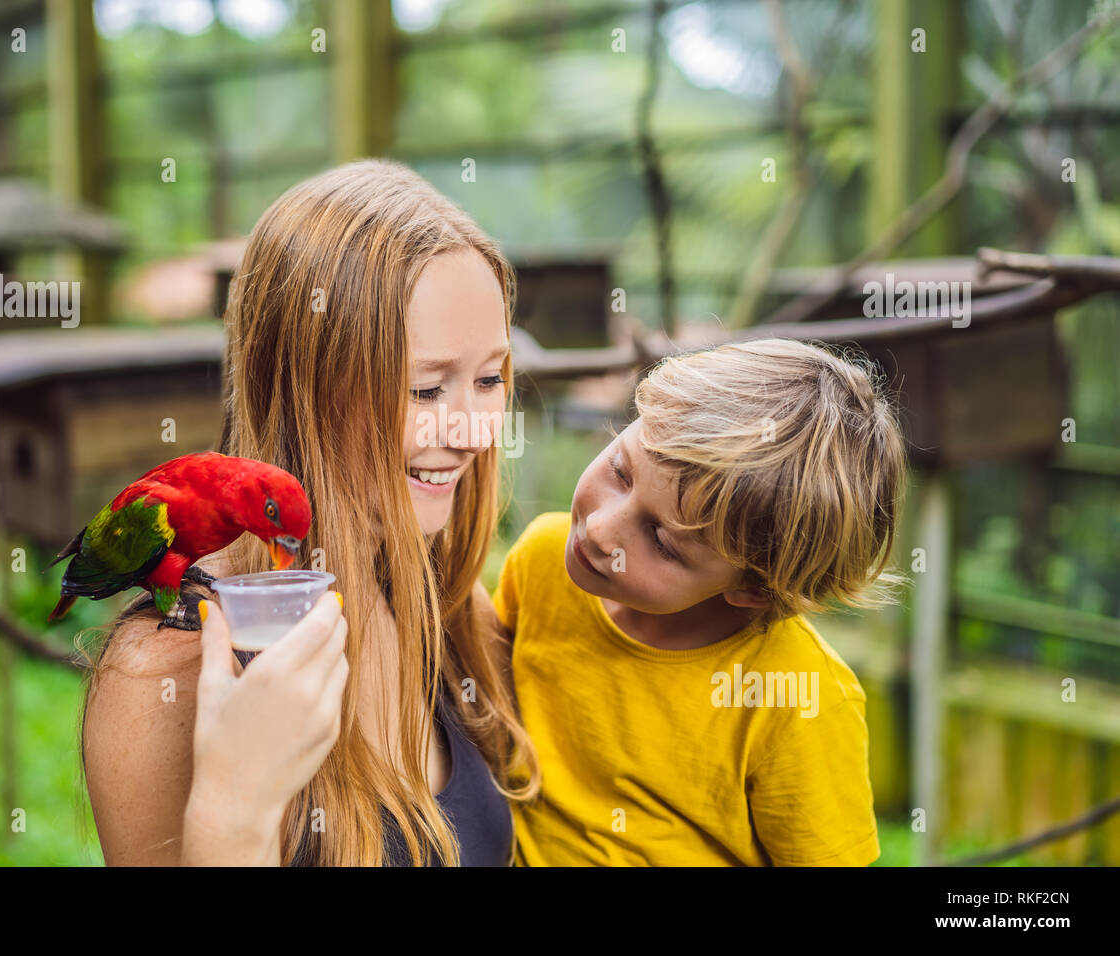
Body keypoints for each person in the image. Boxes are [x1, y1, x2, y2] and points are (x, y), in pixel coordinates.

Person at [80, 159, 539, 866]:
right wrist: (235, 810)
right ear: (304, 392)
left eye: (487, 379)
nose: (476, 431)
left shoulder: (449, 605)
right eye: (425, 390)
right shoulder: (168, 674)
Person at [492, 338, 908, 865]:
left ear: (753, 589)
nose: (598, 529)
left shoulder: (798, 696)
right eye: (621, 471)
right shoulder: (542, 563)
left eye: (661, 541)